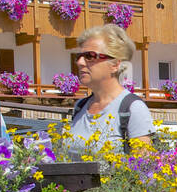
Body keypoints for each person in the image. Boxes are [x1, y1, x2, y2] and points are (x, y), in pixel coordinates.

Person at [65, 24, 154, 158]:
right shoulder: (80, 106)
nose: (80, 62)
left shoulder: (132, 108)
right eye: (79, 56)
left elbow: (143, 169)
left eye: (90, 56)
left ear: (115, 64)